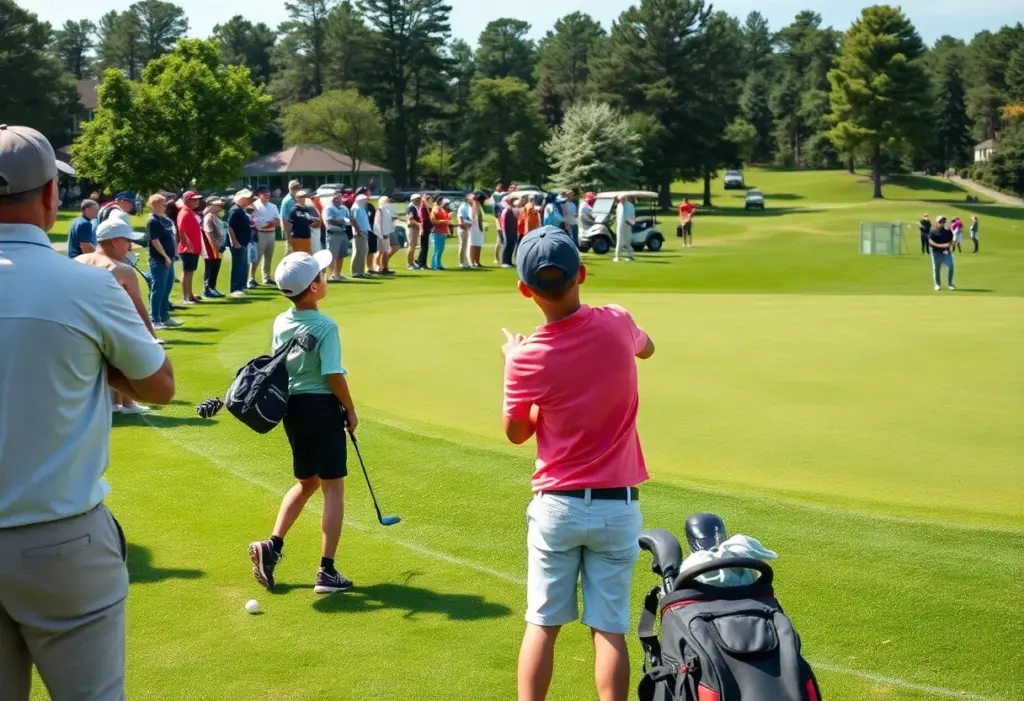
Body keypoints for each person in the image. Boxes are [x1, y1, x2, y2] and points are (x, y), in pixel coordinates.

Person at [0, 123, 175, 701]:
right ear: (52, 195)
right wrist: (94, 359)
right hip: (62, 539)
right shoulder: (87, 286)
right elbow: (159, 386)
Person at [500, 226, 654, 701]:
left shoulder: (526, 357)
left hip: (558, 506)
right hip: (617, 505)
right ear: (581, 274)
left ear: (525, 290)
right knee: (609, 627)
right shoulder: (617, 321)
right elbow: (646, 348)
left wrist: (513, 359)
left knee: (543, 623)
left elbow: (517, 432)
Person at [248, 250, 357, 595]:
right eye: (322, 275)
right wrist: (350, 409)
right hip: (322, 408)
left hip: (292, 410)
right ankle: (327, 571)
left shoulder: (282, 321)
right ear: (314, 286)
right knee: (333, 487)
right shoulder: (326, 326)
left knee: (307, 482)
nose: (325, 278)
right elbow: (333, 374)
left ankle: (273, 546)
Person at [78, 216, 163, 414]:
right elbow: (138, 307)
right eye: (127, 242)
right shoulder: (122, 270)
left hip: (81, 324)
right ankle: (127, 404)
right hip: (110, 326)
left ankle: (117, 403)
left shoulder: (78, 260)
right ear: (115, 242)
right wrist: (152, 336)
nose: (130, 247)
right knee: (124, 360)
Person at [147, 194, 182, 329]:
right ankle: (155, 319)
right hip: (158, 259)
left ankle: (164, 316)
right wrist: (165, 257)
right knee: (158, 289)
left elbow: (172, 239)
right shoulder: (152, 221)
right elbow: (154, 240)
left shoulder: (166, 221)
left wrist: (174, 254)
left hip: (170, 258)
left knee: (167, 288)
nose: (164, 206)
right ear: (154, 205)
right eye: (162, 204)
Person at [175, 191, 203, 305]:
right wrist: (188, 245)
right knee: (187, 272)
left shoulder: (190, 212)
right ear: (187, 200)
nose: (197, 201)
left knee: (190, 271)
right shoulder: (185, 212)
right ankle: (186, 297)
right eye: (194, 199)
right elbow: (181, 230)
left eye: (197, 199)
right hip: (188, 248)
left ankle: (190, 294)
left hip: (194, 247)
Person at [227, 189, 255, 297]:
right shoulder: (235, 210)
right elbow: (230, 227)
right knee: (238, 265)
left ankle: (241, 286)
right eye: (247, 198)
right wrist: (235, 241)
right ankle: (235, 288)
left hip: (243, 242)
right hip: (238, 243)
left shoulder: (241, 210)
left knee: (243, 265)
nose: (249, 200)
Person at [251, 186, 280, 286]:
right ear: (259, 195)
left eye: (268, 193)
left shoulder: (273, 206)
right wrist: (268, 223)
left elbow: (277, 221)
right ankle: (251, 278)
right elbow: (257, 222)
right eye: (264, 194)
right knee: (256, 257)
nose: (267, 195)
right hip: (260, 234)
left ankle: (266, 277)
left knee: (268, 257)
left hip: (271, 233)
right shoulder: (254, 206)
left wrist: (270, 223)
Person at [201, 197, 227, 298]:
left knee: (216, 268)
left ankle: (213, 287)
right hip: (211, 248)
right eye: (217, 205)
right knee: (211, 268)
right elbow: (208, 233)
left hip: (218, 247)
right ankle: (208, 289)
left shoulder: (215, 217)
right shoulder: (208, 217)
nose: (219, 207)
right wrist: (214, 249)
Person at [323, 190, 350, 281]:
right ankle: (332, 274)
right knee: (332, 255)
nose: (338, 200)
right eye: (335, 198)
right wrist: (342, 221)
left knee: (341, 255)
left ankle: (338, 274)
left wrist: (345, 221)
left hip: (342, 232)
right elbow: (330, 221)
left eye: (339, 198)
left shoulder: (344, 208)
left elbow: (348, 219)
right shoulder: (329, 208)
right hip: (333, 233)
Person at [929, 215, 955, 291]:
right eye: (940, 221)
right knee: (936, 269)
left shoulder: (948, 231)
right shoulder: (933, 231)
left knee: (951, 266)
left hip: (946, 252)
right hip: (936, 253)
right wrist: (941, 245)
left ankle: (950, 284)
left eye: (943, 221)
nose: (942, 223)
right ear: (937, 223)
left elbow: (951, 241)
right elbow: (931, 243)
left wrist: (950, 244)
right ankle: (937, 284)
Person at [287, 190, 316, 254]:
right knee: (298, 257)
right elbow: (290, 225)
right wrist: (289, 239)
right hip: (297, 238)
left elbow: (311, 222)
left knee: (306, 257)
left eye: (304, 197)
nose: (303, 198)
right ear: (296, 198)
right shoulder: (294, 210)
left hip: (307, 238)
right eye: (300, 197)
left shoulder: (307, 210)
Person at [350, 193, 371, 278]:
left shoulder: (361, 208)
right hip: (359, 232)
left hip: (364, 231)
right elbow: (353, 220)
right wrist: (358, 231)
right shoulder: (355, 207)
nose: (366, 201)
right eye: (365, 199)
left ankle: (361, 271)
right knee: (358, 252)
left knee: (363, 252)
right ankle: (355, 272)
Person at [373, 196, 396, 275]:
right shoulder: (380, 210)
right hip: (382, 234)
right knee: (383, 252)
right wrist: (380, 234)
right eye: (387, 201)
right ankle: (383, 268)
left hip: (386, 232)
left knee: (385, 251)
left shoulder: (386, 210)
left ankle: (385, 267)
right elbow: (378, 223)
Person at [280, 180, 301, 254]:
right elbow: (284, 219)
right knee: (290, 254)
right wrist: (288, 236)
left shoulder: (297, 198)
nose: (298, 189)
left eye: (298, 187)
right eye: (295, 188)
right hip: (290, 229)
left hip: (297, 230)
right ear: (291, 189)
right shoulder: (288, 201)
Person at [430, 197, 451, 270]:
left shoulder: (442, 209)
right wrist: (442, 221)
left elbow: (446, 219)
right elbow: (433, 221)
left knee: (440, 249)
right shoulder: (435, 209)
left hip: (442, 231)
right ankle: (436, 265)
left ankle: (436, 264)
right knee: (438, 249)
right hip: (437, 231)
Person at [500, 194, 520, 268]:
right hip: (508, 230)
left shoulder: (511, 209)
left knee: (511, 245)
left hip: (512, 230)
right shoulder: (507, 210)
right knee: (507, 244)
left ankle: (509, 261)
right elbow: (504, 222)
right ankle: (504, 261)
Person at [614, 194, 636, 262]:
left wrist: (630, 223)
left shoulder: (630, 205)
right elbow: (617, 215)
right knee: (619, 241)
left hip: (628, 225)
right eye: (620, 199)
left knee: (627, 241)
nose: (621, 201)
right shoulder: (619, 205)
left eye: (623, 199)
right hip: (620, 225)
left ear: (625, 198)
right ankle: (617, 256)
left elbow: (633, 215)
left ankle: (629, 256)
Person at [457, 193, 475, 269]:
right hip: (463, 228)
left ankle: (465, 262)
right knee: (462, 245)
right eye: (472, 198)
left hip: (468, 227)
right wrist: (466, 227)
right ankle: (461, 262)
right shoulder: (463, 207)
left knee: (466, 246)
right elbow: (460, 219)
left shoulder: (470, 206)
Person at [416, 193, 434, 270]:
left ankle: (422, 262)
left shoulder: (428, 208)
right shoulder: (423, 208)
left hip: (428, 228)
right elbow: (422, 220)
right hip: (425, 228)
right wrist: (422, 229)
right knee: (424, 247)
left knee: (425, 247)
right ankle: (421, 264)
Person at [406, 193, 423, 270]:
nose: (419, 200)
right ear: (413, 200)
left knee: (413, 246)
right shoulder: (411, 207)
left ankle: (412, 262)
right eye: (417, 199)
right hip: (412, 228)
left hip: (415, 227)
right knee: (412, 246)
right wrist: (419, 224)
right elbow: (411, 219)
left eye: (419, 199)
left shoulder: (415, 207)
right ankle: (410, 263)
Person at [492, 183, 506, 264]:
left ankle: (501, 257)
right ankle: (496, 258)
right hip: (498, 219)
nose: (500, 188)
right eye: (498, 186)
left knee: (503, 240)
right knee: (500, 240)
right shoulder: (495, 195)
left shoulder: (501, 196)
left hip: (503, 219)